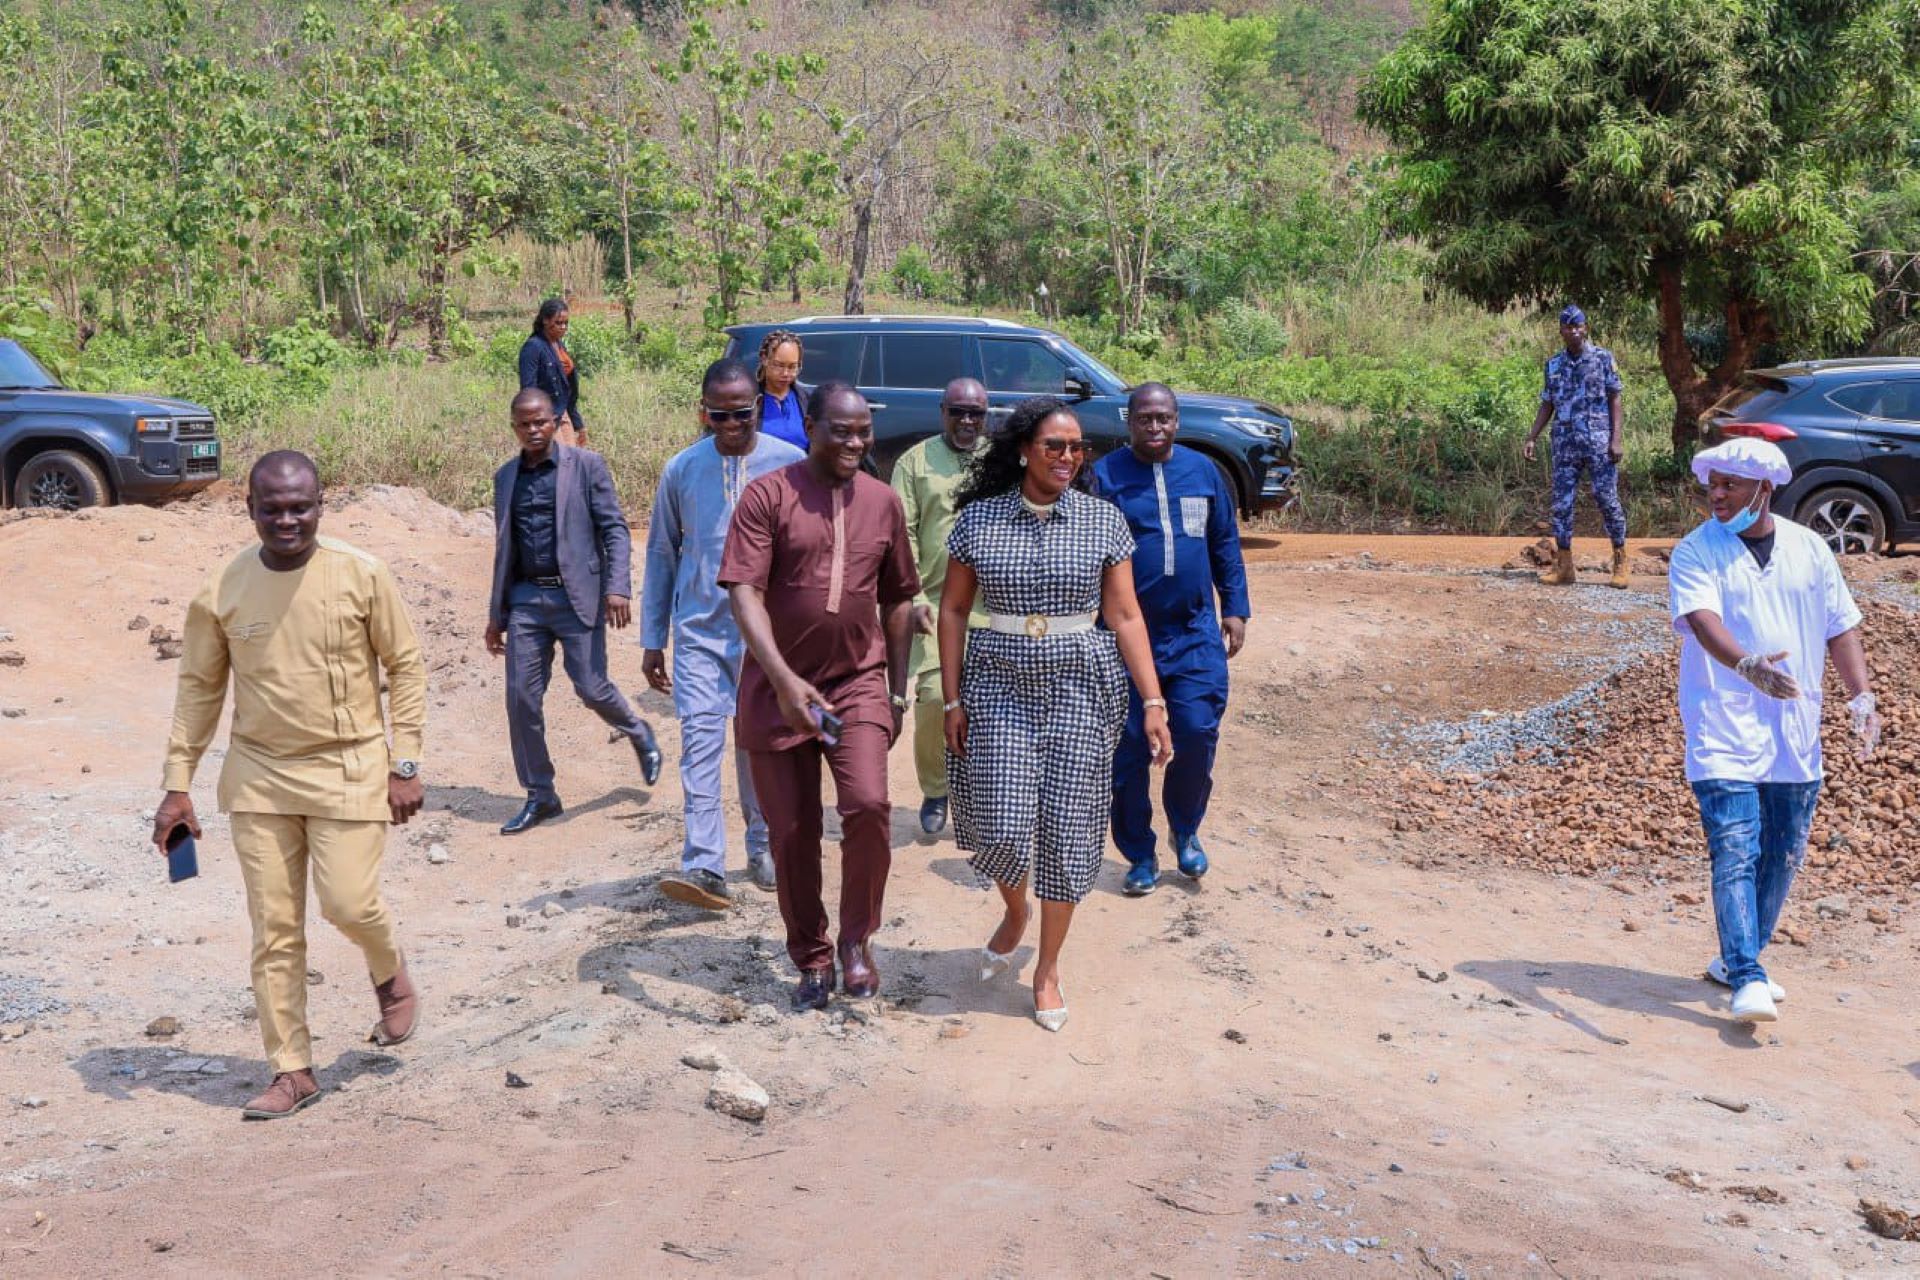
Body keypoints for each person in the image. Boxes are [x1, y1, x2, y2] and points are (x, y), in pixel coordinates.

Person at [153, 451, 425, 1120]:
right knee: (274, 930)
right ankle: (292, 1070)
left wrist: (406, 762)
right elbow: (199, 689)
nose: (286, 519)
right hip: (260, 774)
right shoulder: (223, 589)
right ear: (248, 510)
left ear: (321, 505)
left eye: (299, 506)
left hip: (350, 764)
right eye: (271, 508)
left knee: (348, 903)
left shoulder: (362, 575)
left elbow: (406, 666)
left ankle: (387, 969)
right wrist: (176, 784)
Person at [941, 397, 1173, 1032]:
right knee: (1001, 821)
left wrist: (1153, 701)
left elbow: (1125, 616)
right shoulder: (978, 522)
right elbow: (955, 610)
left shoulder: (1103, 522)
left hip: (1081, 682)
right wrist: (953, 696)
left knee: (1071, 831)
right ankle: (1015, 912)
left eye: (1077, 449)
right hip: (997, 683)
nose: (1068, 458)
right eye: (1054, 446)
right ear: (1023, 449)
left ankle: (1046, 970)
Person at [719, 381, 919, 1010]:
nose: (856, 441)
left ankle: (857, 942)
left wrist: (895, 692)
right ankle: (811, 956)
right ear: (811, 425)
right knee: (793, 832)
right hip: (778, 690)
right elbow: (744, 592)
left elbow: (899, 598)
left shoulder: (884, 503)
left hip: (856, 682)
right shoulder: (768, 495)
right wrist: (781, 678)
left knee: (867, 806)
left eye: (864, 431)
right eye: (842, 429)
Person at [1668, 438, 1880, 1026]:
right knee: (1736, 847)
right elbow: (1703, 624)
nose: (1716, 494)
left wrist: (1861, 696)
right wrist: (1747, 667)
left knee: (1783, 852)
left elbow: (1842, 628)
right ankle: (1748, 972)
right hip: (1723, 723)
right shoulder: (1696, 552)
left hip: (1794, 729)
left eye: (1730, 484)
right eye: (1712, 483)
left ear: (1765, 489)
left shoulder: (1811, 549)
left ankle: (1740, 958)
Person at [641, 360, 805, 909]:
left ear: (758, 407)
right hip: (698, 633)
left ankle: (762, 847)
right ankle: (704, 863)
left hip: (769, 639)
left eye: (741, 413)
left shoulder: (791, 466)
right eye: (720, 415)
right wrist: (651, 637)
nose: (732, 424)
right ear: (703, 413)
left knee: (759, 748)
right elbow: (663, 553)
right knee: (700, 744)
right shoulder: (682, 470)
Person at [1090, 383, 1250, 896]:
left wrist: (1236, 607)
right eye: (1144, 419)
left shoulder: (1202, 473)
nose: (1154, 427)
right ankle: (1138, 853)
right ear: (1128, 421)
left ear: (1176, 421)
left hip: (1194, 631)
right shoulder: (1105, 477)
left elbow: (1224, 541)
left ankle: (1187, 828)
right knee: (1129, 748)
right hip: (1124, 636)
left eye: (1163, 418)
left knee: (1199, 731)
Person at [486, 388, 662, 835]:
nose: (533, 430)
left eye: (540, 421)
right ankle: (540, 794)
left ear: (555, 421)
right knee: (521, 698)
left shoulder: (586, 466)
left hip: (576, 596)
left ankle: (637, 730)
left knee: (590, 687)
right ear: (514, 428)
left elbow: (615, 529)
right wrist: (496, 614)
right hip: (526, 599)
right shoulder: (505, 477)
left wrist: (617, 587)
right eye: (524, 424)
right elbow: (504, 549)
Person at [890, 377, 990, 835]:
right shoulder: (914, 463)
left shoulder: (1000, 461)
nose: (967, 421)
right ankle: (936, 787)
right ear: (942, 412)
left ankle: (985, 795)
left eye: (976, 413)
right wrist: (911, 596)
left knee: (990, 703)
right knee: (933, 697)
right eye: (958, 411)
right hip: (932, 601)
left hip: (993, 604)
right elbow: (902, 533)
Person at [1523, 304, 1629, 588]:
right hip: (1565, 444)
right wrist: (1532, 436)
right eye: (1568, 327)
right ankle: (1564, 567)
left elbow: (1615, 398)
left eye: (1578, 326)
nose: (1574, 331)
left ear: (1586, 328)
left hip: (1598, 443)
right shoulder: (1553, 365)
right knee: (1561, 505)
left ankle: (1620, 561)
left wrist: (1616, 438)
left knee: (1607, 500)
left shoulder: (1603, 359)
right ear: (1561, 331)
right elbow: (1548, 402)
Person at [519, 298, 586, 447]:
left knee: (570, 460)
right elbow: (528, 390)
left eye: (565, 323)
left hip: (561, 412)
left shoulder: (558, 345)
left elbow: (566, 388)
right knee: (557, 462)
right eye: (558, 323)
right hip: (544, 416)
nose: (563, 327)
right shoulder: (533, 348)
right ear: (545, 320)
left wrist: (578, 423)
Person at [755, 329, 807, 452]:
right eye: (779, 365)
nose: (785, 373)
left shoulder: (807, 402)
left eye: (792, 367)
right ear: (764, 359)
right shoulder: (751, 401)